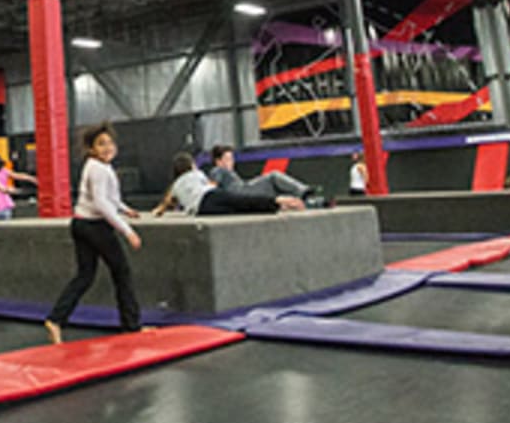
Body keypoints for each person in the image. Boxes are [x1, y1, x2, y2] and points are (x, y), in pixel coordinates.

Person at [45, 122, 142, 344]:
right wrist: (127, 231)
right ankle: (131, 325)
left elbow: (111, 199)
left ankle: (56, 319)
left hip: (81, 224)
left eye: (110, 143)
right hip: (95, 227)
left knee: (85, 276)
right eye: (101, 144)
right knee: (122, 272)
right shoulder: (98, 169)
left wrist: (126, 209)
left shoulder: (98, 166)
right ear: (91, 149)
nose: (108, 147)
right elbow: (101, 203)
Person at [151, 152, 306, 218]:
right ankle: (280, 202)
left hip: (203, 210)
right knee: (243, 203)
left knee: (238, 210)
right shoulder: (196, 174)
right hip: (211, 195)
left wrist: (158, 212)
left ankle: (279, 204)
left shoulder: (175, 185)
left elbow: (166, 202)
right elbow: (210, 185)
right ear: (191, 165)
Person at [209, 145, 313, 202]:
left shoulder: (227, 173)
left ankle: (300, 197)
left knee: (274, 189)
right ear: (218, 161)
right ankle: (302, 191)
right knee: (273, 176)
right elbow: (212, 187)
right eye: (228, 159)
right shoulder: (217, 170)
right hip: (243, 192)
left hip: (244, 190)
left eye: (232, 159)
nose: (232, 162)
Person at [0, 151, 36, 220]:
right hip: (6, 206)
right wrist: (31, 178)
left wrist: (7, 189)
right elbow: (17, 175)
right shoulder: (3, 170)